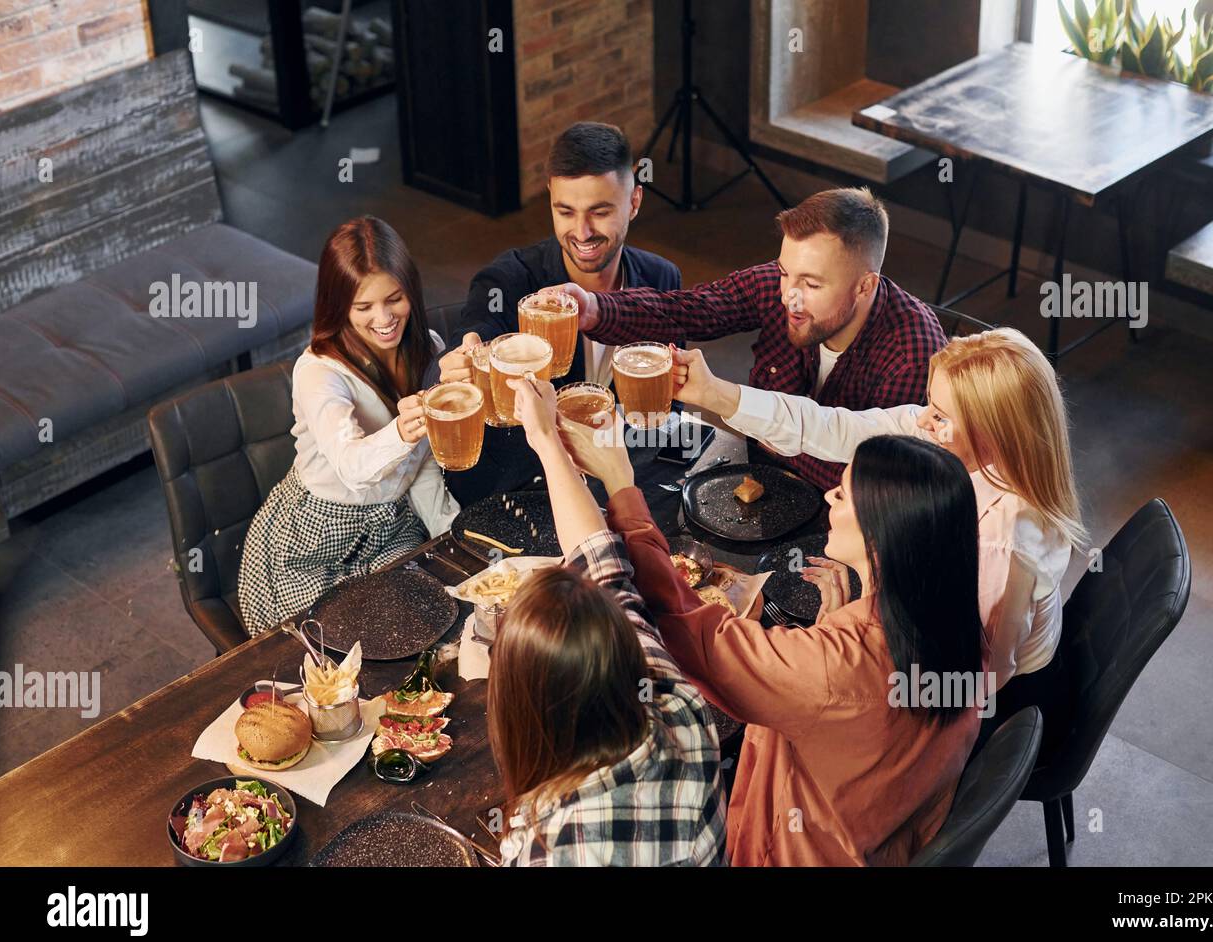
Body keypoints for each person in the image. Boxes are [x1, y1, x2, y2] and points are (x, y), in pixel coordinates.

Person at [528, 380, 985, 866]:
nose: (829, 495)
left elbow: (691, 631)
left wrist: (621, 485)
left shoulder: (835, 667)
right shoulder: (957, 628)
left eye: (844, 495)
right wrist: (832, 630)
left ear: (882, 536)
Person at [669, 326, 1085, 694]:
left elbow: (984, 676)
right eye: (928, 403)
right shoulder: (949, 441)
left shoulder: (1000, 541)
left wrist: (859, 633)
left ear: (992, 436)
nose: (921, 421)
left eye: (939, 415)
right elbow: (831, 426)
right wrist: (712, 393)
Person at [541, 186, 947, 491]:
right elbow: (691, 309)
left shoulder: (914, 352)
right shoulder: (782, 287)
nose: (789, 297)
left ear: (865, 286)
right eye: (785, 272)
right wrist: (596, 308)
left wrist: (755, 423)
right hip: (756, 476)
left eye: (812, 284)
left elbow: (876, 482)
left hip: (845, 518)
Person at [488, 375, 728, 866]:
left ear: (523, 709)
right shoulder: (681, 709)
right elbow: (604, 568)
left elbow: (605, 573)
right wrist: (546, 441)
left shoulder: (549, 848)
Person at [438, 121, 682, 505]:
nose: (582, 232)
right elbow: (477, 326)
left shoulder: (662, 277)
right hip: (524, 492)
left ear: (634, 202)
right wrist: (465, 352)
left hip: (623, 478)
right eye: (565, 212)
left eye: (600, 212)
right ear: (550, 198)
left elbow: (667, 407)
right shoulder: (508, 278)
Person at [238, 217, 458, 637]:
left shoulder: (429, 349)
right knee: (332, 647)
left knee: (421, 622)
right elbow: (351, 466)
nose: (384, 318)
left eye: (395, 299)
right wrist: (402, 431)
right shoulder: (319, 372)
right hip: (313, 539)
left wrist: (453, 534)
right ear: (339, 306)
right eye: (364, 307)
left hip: (392, 525)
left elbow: (422, 466)